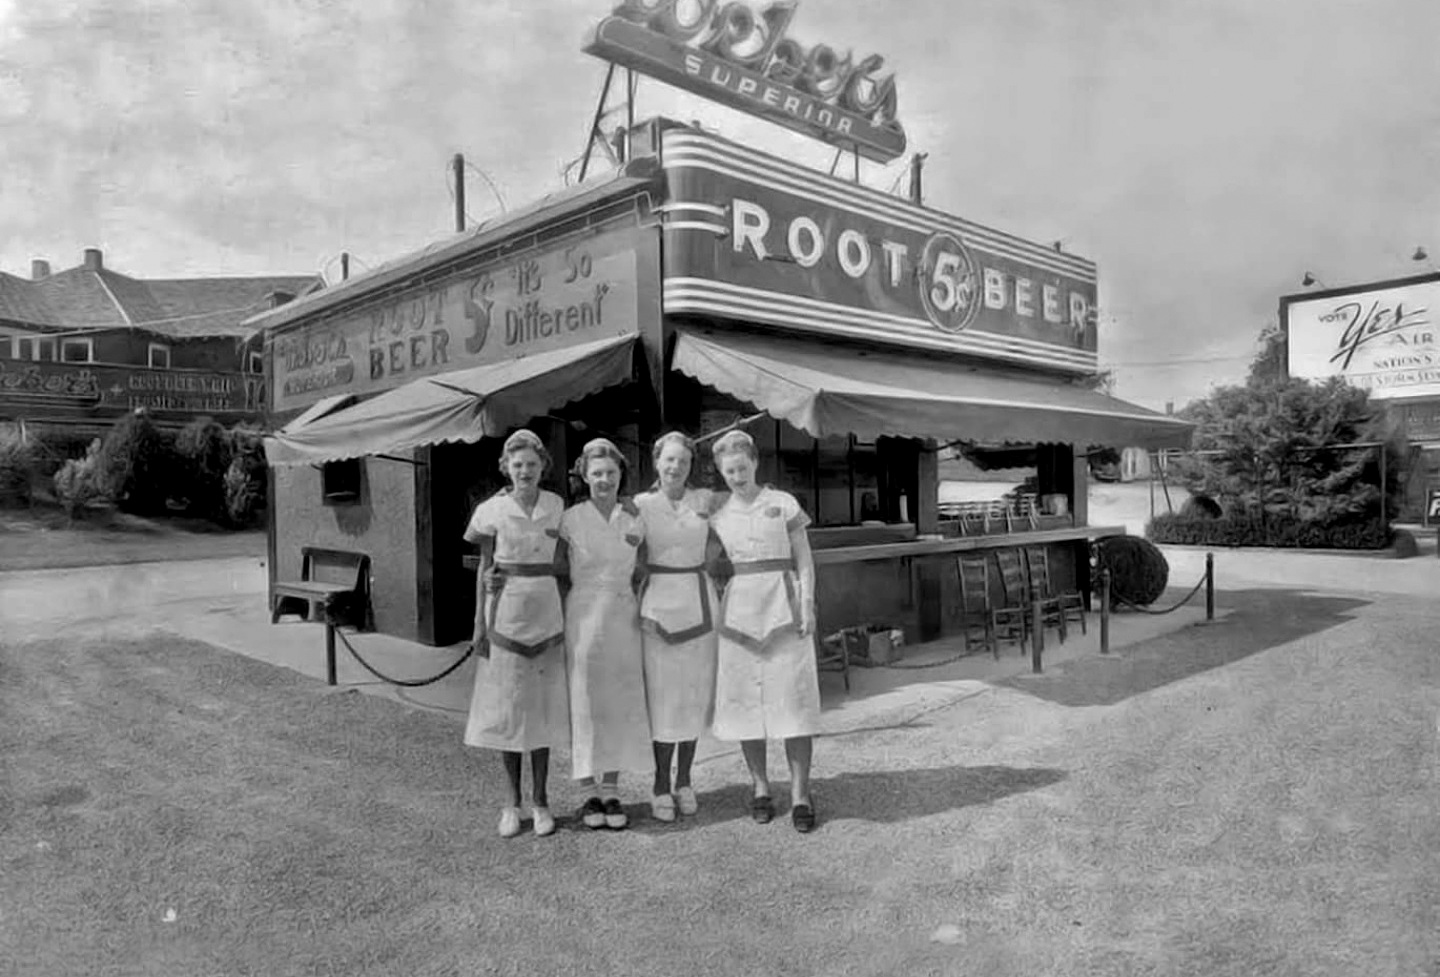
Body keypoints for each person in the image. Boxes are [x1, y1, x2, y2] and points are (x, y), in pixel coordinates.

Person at [707, 429, 822, 834]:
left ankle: (801, 794)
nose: (737, 476)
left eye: (742, 467)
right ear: (721, 473)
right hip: (739, 614)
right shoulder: (717, 514)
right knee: (746, 705)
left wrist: (806, 604)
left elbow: (804, 558)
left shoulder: (783, 503)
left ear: (755, 462)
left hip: (784, 608)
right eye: (728, 471)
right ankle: (759, 787)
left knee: (793, 702)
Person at [462, 429, 569, 839]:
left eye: (532, 464)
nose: (525, 471)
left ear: (543, 466)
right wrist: (479, 626)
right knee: (509, 712)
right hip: (504, 615)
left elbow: (565, 563)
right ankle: (512, 803)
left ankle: (542, 802)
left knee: (540, 713)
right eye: (517, 464)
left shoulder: (557, 506)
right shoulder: (491, 510)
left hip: (546, 615)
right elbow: (484, 569)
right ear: (506, 467)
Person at [557, 437, 653, 830]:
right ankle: (587, 793)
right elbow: (554, 568)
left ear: (620, 476)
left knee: (617, 699)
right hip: (582, 615)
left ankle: (611, 789)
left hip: (623, 616)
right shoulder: (570, 518)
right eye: (596, 473)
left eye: (611, 473)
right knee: (583, 700)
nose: (604, 480)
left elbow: (645, 567)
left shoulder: (635, 517)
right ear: (584, 475)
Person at [634, 432, 722, 822]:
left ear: (691, 466)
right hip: (657, 609)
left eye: (683, 462)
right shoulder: (640, 505)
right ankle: (658, 784)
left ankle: (685, 779)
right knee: (662, 698)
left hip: (699, 603)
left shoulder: (704, 501)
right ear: (657, 462)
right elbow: (623, 552)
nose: (675, 468)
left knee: (692, 695)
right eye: (669, 460)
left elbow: (730, 530)